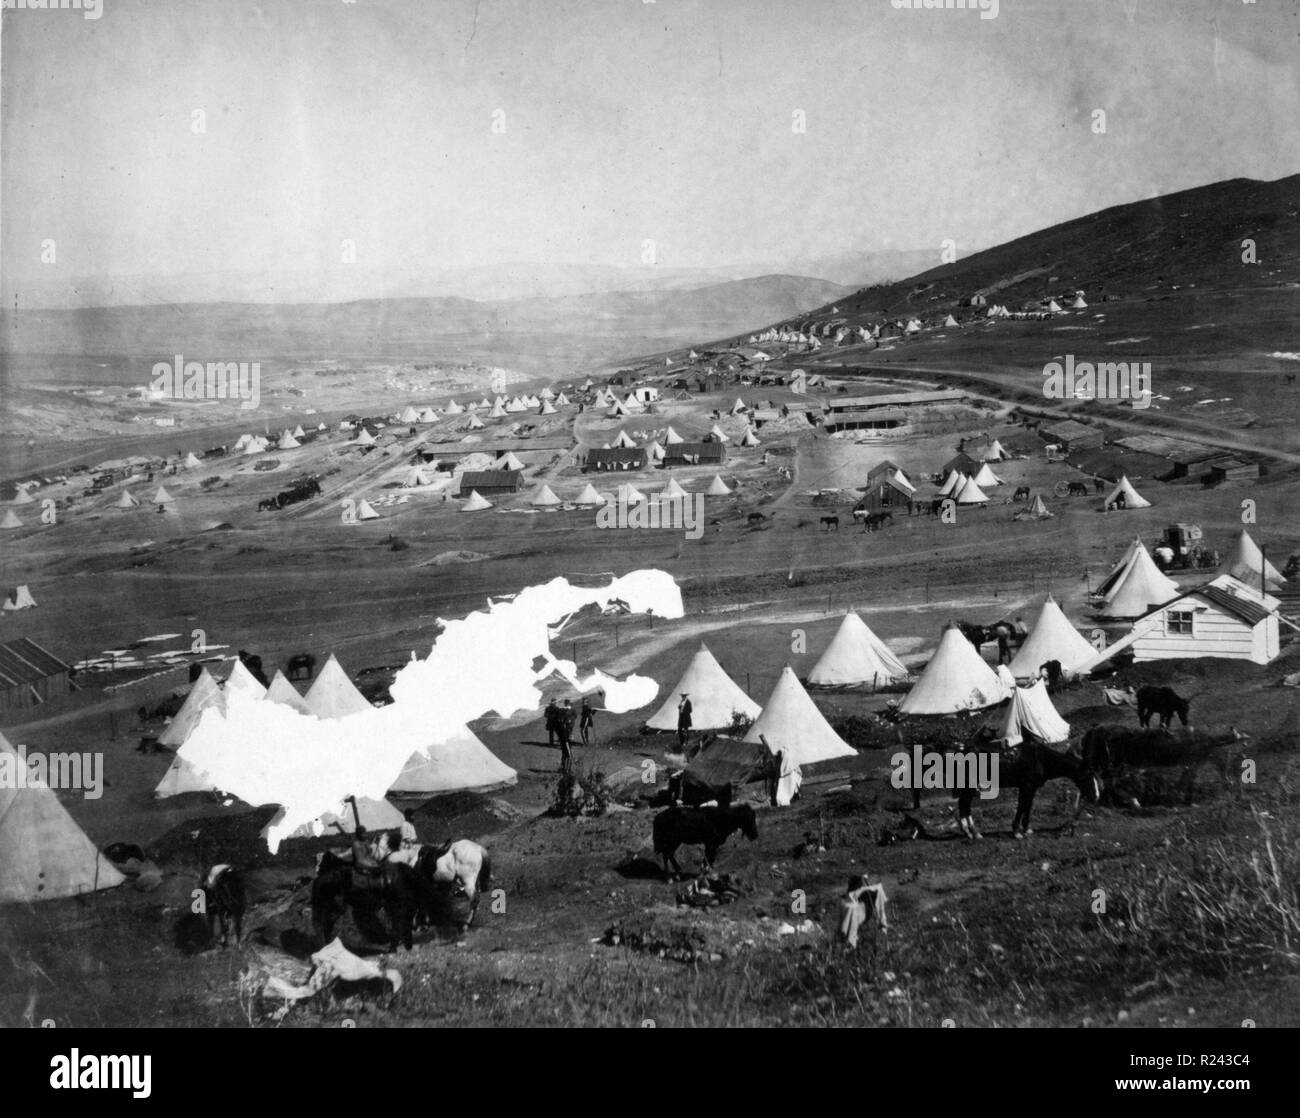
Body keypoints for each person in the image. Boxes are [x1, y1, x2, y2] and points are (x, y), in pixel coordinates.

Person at [838, 874, 889, 949]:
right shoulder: (856, 882)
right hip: (855, 908)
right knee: (851, 909)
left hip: (865, 911)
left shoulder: (876, 887)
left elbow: (880, 908)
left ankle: (848, 940)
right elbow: (849, 896)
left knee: (852, 911)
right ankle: (847, 938)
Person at [557, 699, 575, 770]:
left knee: (564, 755)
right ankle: (567, 770)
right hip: (566, 740)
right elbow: (567, 736)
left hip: (565, 740)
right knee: (569, 755)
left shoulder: (564, 725)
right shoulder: (565, 726)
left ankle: (563, 768)